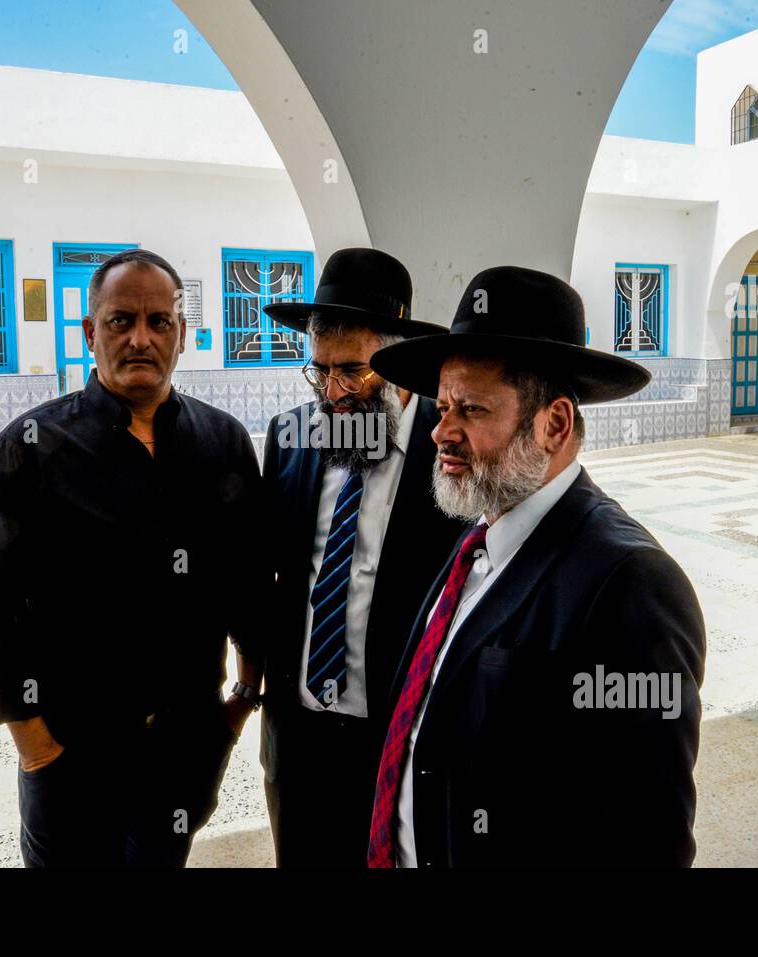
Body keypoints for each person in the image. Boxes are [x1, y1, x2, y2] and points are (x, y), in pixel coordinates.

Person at [366, 265, 707, 868]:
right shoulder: (479, 531)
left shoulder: (630, 584)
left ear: (554, 424)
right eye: (442, 407)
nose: (441, 431)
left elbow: (648, 836)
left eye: (470, 410)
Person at [0, 248, 268, 868]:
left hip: (183, 756)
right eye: (120, 321)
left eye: (160, 322)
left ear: (182, 336)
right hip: (70, 760)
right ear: (89, 334)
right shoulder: (29, 452)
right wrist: (37, 747)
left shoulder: (223, 443)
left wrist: (238, 704)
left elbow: (248, 584)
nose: (140, 339)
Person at [259, 247, 466, 867]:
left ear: (399, 363)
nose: (333, 392)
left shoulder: (453, 456)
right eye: (319, 370)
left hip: (397, 742)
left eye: (353, 372)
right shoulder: (290, 438)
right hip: (298, 742)